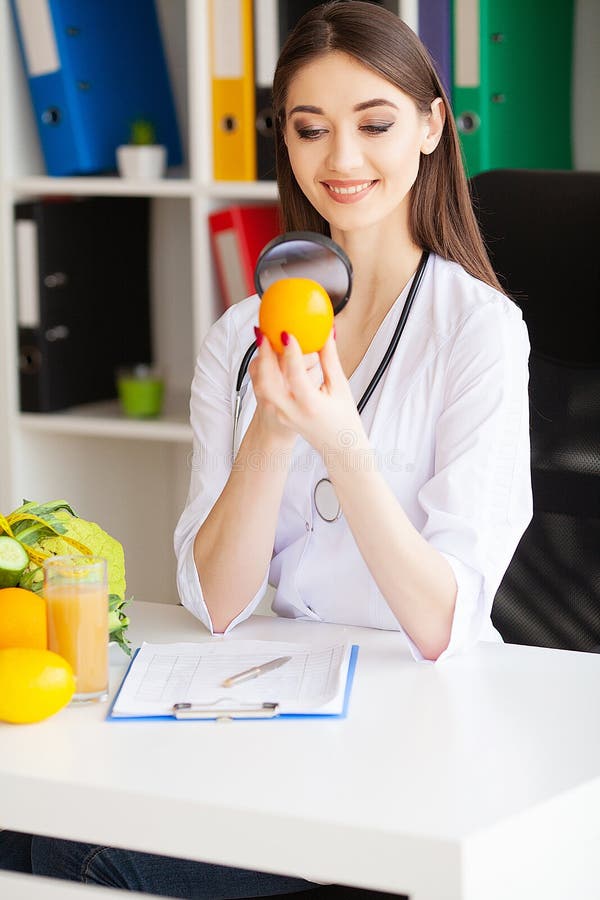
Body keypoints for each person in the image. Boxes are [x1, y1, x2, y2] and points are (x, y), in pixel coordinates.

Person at [1, 2, 532, 896]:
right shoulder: (241, 337)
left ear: (433, 126)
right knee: (37, 822)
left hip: (421, 737)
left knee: (77, 858)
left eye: (375, 124)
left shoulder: (476, 330)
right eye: (310, 129)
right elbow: (216, 602)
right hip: (271, 713)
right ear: (283, 142)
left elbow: (444, 624)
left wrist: (343, 445)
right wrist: (274, 434)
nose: (344, 160)